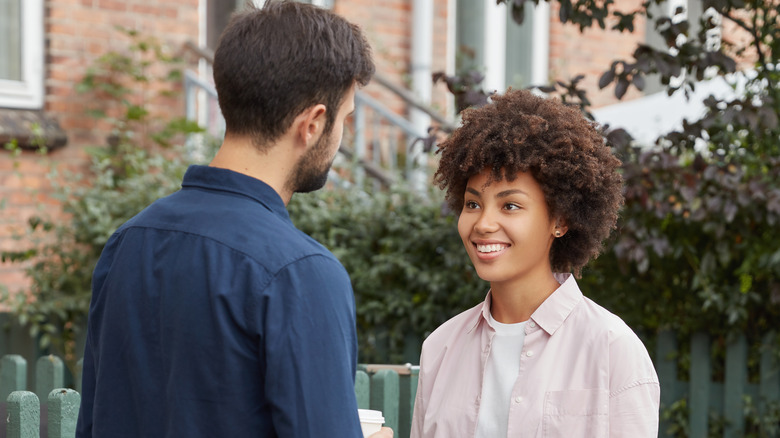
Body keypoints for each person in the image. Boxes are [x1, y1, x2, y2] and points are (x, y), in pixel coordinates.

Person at [76, 2, 392, 437]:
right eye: (346, 119)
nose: (342, 137)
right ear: (314, 123)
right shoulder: (302, 274)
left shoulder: (126, 244)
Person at [410, 89, 660, 438]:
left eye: (510, 205)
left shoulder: (612, 349)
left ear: (559, 220)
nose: (483, 224)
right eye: (472, 204)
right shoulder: (440, 348)